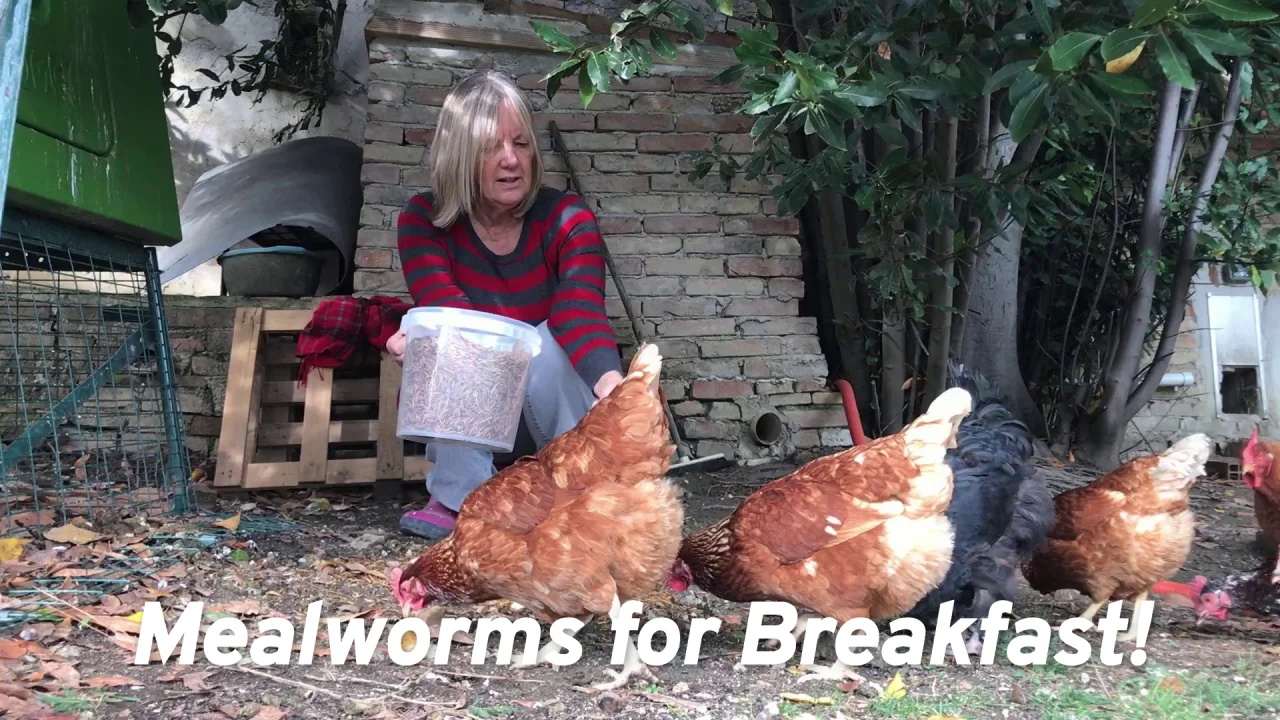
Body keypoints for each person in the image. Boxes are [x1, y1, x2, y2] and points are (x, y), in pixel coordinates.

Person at [386, 70, 625, 540]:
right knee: (450, 334)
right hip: (476, 421)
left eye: (521, 143)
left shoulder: (567, 217)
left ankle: (580, 492)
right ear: (459, 155)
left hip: (551, 422)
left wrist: (617, 389)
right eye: (490, 147)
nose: (511, 160)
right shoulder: (424, 220)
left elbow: (579, 310)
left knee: (549, 341)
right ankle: (458, 497)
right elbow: (446, 305)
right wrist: (419, 339)